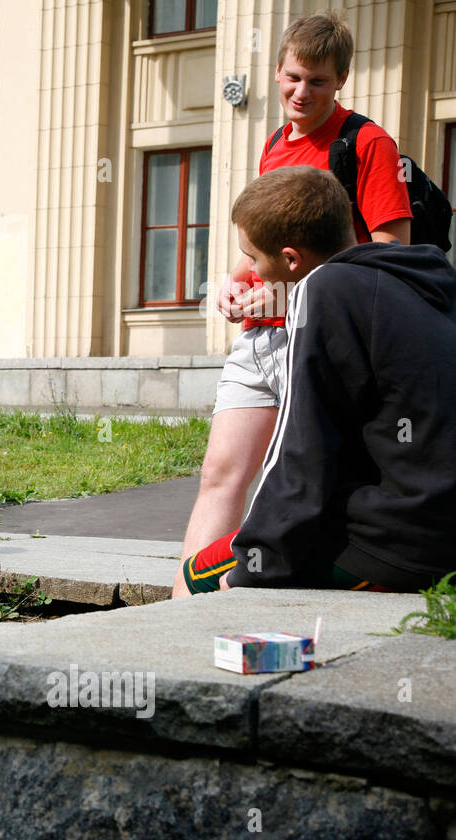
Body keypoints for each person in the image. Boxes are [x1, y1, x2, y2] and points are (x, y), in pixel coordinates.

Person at [172, 11, 412, 598]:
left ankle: (248, 606)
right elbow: (260, 241)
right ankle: (175, 615)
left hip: (317, 341)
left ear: (343, 79)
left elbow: (390, 251)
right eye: (293, 77)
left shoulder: (367, 142)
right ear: (277, 71)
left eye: (319, 82)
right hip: (259, 337)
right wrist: (233, 284)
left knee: (288, 482)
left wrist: (294, 294)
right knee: (221, 473)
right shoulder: (276, 143)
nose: (302, 93)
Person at [182, 166, 456, 594]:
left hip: (402, 546)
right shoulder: (423, 277)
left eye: (253, 258)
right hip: (439, 525)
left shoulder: (323, 289)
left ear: (291, 259)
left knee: (199, 572)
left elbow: (303, 447)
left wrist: (257, 563)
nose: (251, 270)